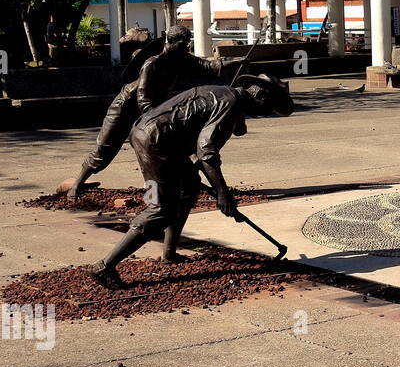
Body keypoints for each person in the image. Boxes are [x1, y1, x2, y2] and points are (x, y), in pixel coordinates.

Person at [89, 74, 294, 288]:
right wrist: (223, 194)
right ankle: (105, 266)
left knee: (189, 187)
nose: (264, 114)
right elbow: (207, 153)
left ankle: (169, 253)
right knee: (161, 209)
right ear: (260, 95)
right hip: (155, 142)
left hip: (157, 137)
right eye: (267, 108)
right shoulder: (230, 103)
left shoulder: (226, 95)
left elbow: (194, 135)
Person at [66, 25, 238, 199]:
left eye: (188, 43)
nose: (187, 47)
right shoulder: (152, 63)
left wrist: (237, 61)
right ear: (170, 42)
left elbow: (209, 66)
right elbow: (142, 97)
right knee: (103, 151)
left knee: (167, 150)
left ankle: (160, 193)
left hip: (152, 110)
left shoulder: (182, 58)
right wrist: (154, 120)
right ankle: (76, 186)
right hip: (125, 109)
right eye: (183, 43)